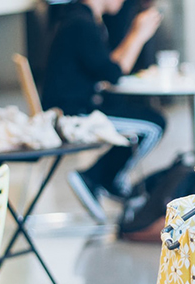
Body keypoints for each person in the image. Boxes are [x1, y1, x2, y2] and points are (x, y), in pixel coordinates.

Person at [41, 0, 165, 199]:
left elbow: (106, 65)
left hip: (76, 106)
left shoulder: (82, 17)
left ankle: (104, 179)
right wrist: (138, 35)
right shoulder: (81, 23)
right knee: (154, 126)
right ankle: (96, 177)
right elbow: (113, 73)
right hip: (72, 115)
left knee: (143, 118)